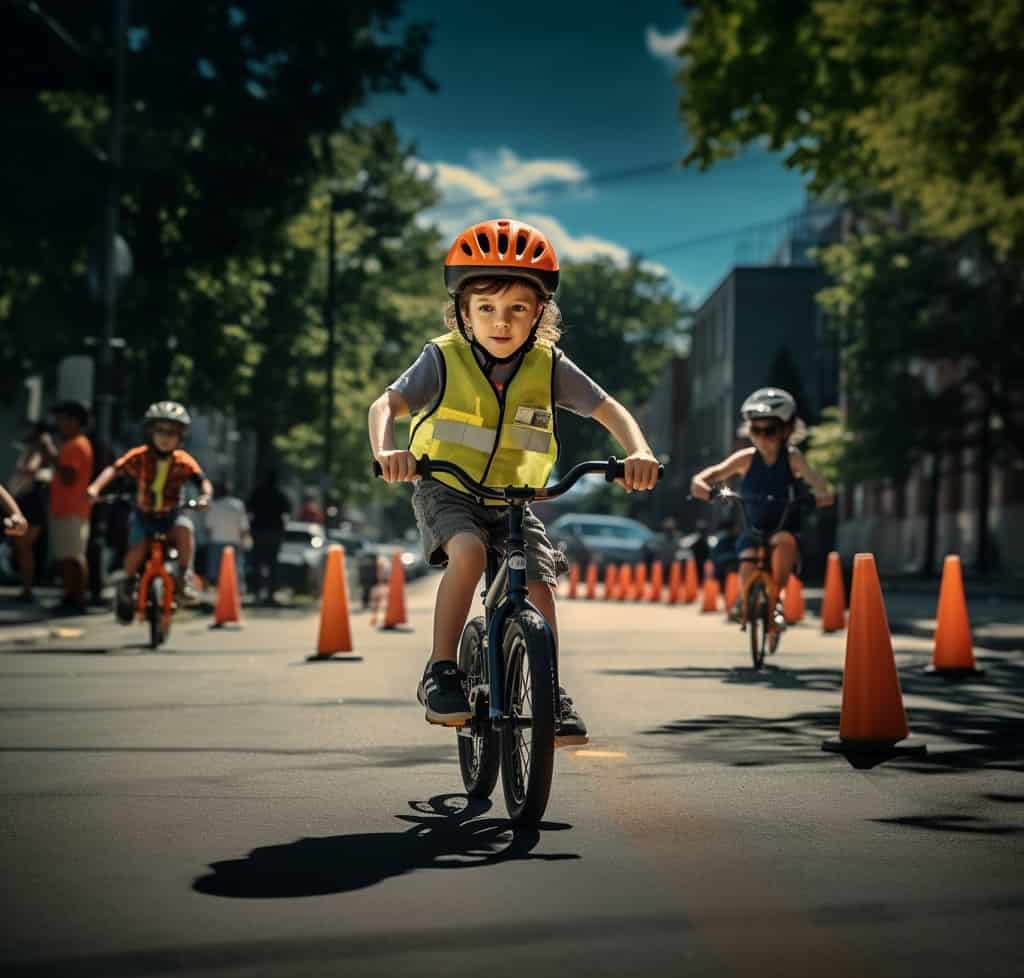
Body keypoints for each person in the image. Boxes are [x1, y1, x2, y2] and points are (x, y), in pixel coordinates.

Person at [369, 218, 660, 739]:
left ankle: (548, 687)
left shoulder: (549, 366)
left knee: (540, 582)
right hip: (446, 489)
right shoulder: (442, 359)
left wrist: (637, 450)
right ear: (463, 313)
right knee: (470, 553)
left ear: (539, 315)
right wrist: (387, 449)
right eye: (486, 309)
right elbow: (384, 404)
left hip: (514, 499)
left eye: (517, 310)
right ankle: (440, 670)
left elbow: (608, 409)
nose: (500, 322)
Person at [689, 387, 834, 626]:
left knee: (784, 543)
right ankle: (745, 602)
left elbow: (816, 480)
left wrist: (821, 494)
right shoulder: (746, 458)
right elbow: (714, 473)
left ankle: (776, 598)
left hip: (782, 526)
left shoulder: (792, 458)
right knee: (746, 558)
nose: (762, 437)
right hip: (753, 527)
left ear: (787, 430)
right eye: (756, 430)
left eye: (770, 430)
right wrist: (699, 484)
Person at [87, 401, 212, 620]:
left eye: (172, 432)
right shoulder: (140, 456)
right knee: (137, 549)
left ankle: (184, 576)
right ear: (150, 432)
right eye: (160, 431)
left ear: (181, 436)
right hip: (143, 514)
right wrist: (95, 488)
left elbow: (202, 481)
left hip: (172, 515)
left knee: (185, 529)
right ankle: (126, 585)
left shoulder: (183, 461)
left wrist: (204, 497)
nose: (165, 437)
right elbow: (114, 470)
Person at [43, 402, 93, 614]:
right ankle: (69, 596)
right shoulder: (72, 444)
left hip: (73, 509)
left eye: (63, 419)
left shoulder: (76, 445)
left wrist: (50, 452)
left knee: (74, 557)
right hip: (66, 508)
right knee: (66, 557)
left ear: (74, 421)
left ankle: (78, 599)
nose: (59, 424)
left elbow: (68, 476)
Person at [8, 421, 53, 602]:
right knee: (23, 548)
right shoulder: (30, 450)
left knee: (25, 548)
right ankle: (26, 587)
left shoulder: (36, 452)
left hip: (30, 503)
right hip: (25, 501)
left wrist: (22, 469)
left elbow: (31, 470)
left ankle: (28, 588)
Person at [246, 469, 291, 605]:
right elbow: (287, 511)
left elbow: (249, 509)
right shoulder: (280, 495)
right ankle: (270, 594)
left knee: (257, 563)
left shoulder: (257, 493)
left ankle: (257, 593)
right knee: (272, 564)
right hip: (274, 532)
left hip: (259, 530)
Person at [204, 481, 251, 587]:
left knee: (215, 570)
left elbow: (208, 527)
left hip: (216, 541)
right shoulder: (238, 505)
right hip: (234, 541)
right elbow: (244, 526)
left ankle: (216, 590)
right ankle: (235, 588)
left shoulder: (213, 505)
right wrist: (244, 540)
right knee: (235, 569)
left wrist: (208, 540)